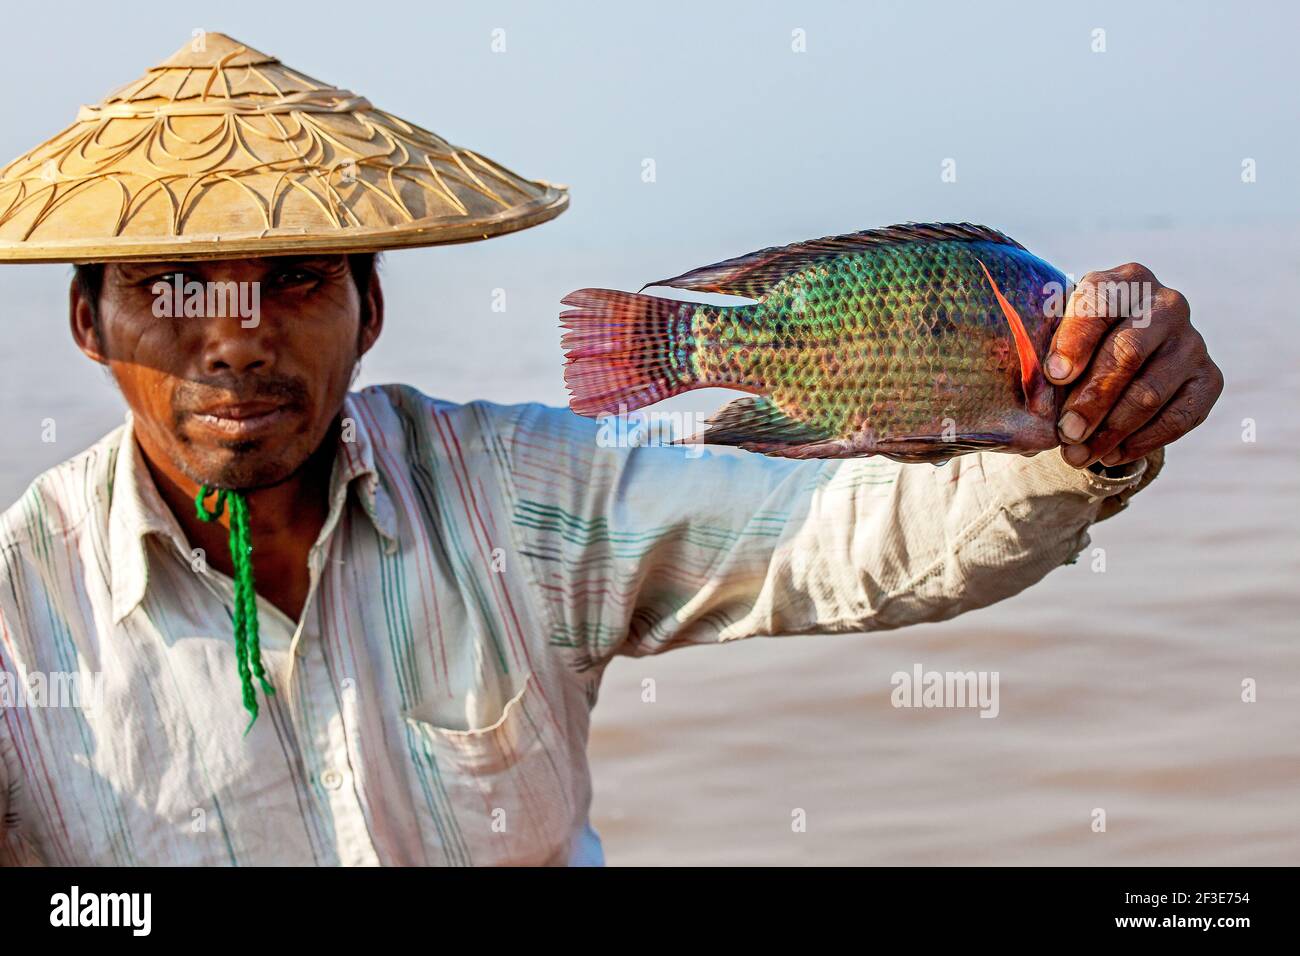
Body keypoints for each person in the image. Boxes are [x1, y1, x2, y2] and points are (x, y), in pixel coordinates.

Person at [0, 35, 1222, 866]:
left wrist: (1084, 437)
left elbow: (847, 545)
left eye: (298, 278)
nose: (236, 340)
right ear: (86, 321)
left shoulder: (515, 496)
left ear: (369, 310)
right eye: (172, 285)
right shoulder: (16, 609)